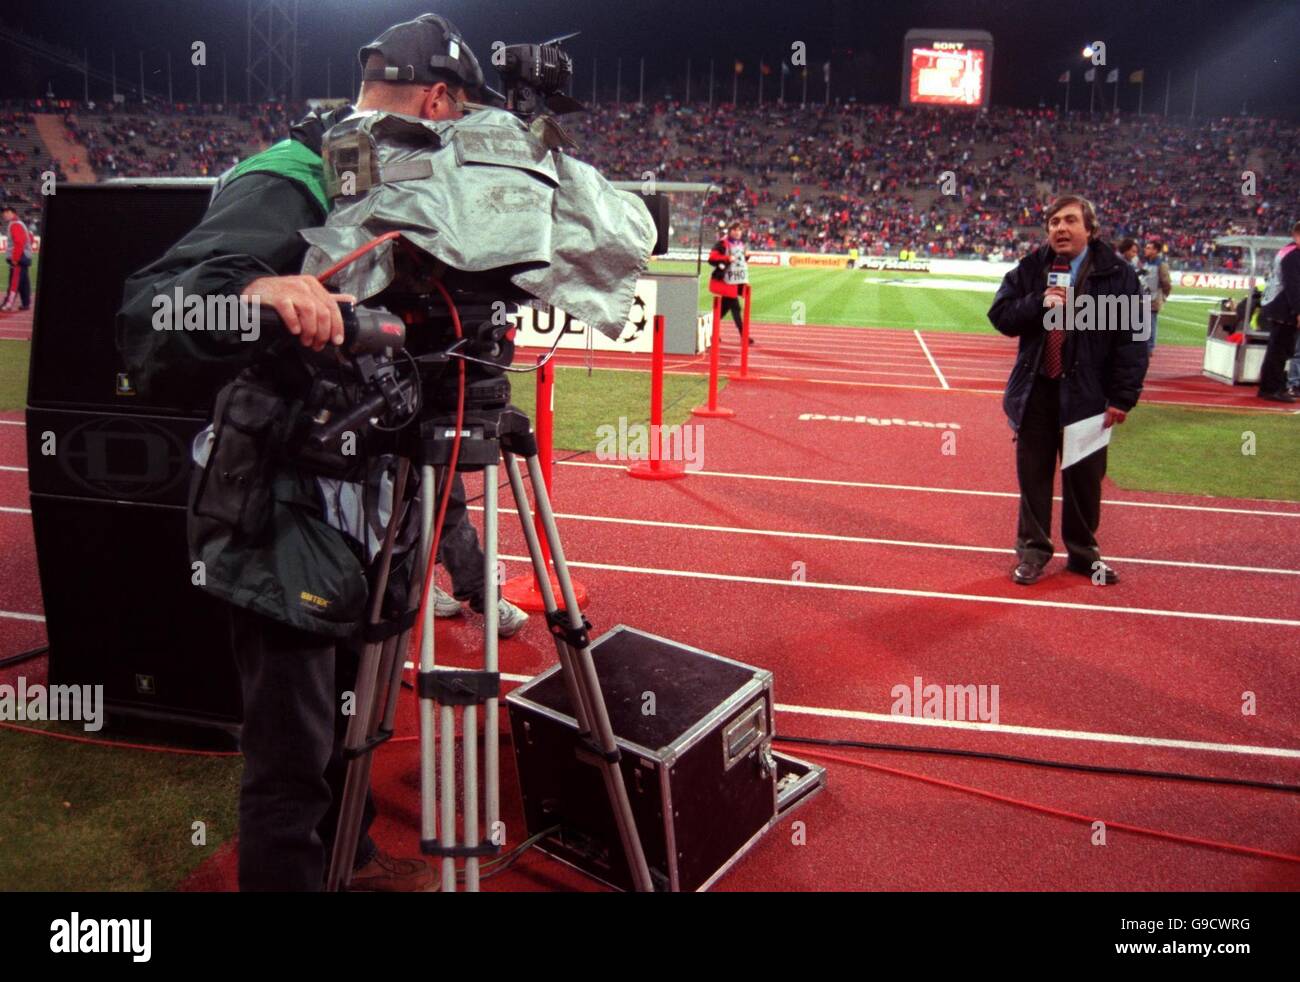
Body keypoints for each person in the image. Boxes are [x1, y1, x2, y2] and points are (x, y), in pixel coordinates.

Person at [117, 13, 519, 891]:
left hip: (366, 508)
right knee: (293, 757)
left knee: (353, 723)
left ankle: (355, 863)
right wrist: (261, 290)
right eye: (467, 124)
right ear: (439, 100)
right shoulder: (295, 178)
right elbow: (154, 316)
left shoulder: (399, 185)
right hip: (283, 512)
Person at [988, 194, 1149, 587]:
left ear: (1090, 229)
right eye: (1054, 222)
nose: (1060, 228)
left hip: (1088, 394)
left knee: (1084, 481)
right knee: (1034, 478)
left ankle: (1082, 554)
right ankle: (1032, 553)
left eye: (1070, 221)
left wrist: (1123, 397)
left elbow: (1133, 340)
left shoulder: (1118, 275)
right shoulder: (1032, 268)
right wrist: (1037, 303)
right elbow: (1001, 316)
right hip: (1038, 390)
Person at [1256, 220, 1300, 404]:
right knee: (1279, 350)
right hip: (1283, 308)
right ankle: (1271, 388)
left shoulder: (1288, 251)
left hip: (1279, 305)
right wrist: (1299, 311)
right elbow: (1294, 286)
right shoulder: (1293, 255)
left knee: (1279, 349)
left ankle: (1271, 386)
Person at [708, 223, 753, 343]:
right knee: (735, 308)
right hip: (726, 282)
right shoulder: (722, 243)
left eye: (739, 230)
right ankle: (744, 336)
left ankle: (710, 333)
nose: (737, 232)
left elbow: (739, 260)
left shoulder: (741, 244)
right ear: (730, 231)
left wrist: (746, 257)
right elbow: (712, 259)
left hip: (734, 282)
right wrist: (727, 259)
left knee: (722, 311)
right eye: (735, 230)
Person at [1139, 238, 1172, 354]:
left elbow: (1166, 282)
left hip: (1153, 298)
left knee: (1150, 323)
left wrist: (1163, 296)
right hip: (1144, 297)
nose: (1145, 249)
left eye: (1149, 248)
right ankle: (1144, 346)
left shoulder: (1161, 264)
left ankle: (1149, 348)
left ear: (1156, 251)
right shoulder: (1147, 262)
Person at [2, 205, 33, 311]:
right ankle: (26, 303)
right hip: (25, 256)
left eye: (5, 213)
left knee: (14, 281)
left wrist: (15, 258)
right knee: (24, 282)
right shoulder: (20, 223)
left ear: (12, 213)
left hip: (19, 258)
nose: (3, 215)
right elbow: (30, 237)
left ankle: (8, 304)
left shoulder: (14, 224)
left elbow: (19, 242)